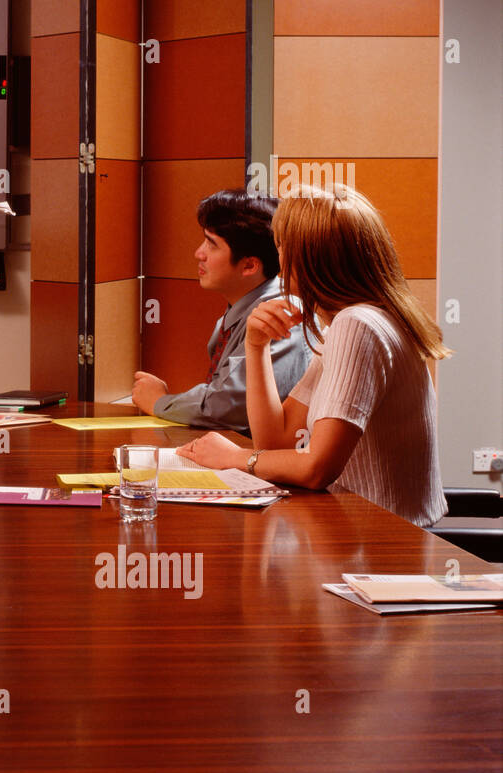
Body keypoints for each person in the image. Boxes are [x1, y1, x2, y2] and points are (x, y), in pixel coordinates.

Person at [178, 184, 450, 527]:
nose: (278, 258)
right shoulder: (347, 321)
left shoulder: (357, 325)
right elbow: (274, 442)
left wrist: (234, 457)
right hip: (365, 535)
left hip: (385, 546)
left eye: (282, 246)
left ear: (309, 258)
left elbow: (316, 469)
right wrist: (256, 345)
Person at [131, 190, 309, 434]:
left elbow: (229, 406)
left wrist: (159, 402)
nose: (199, 253)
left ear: (249, 265)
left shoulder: (282, 315)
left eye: (211, 244)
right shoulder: (239, 311)